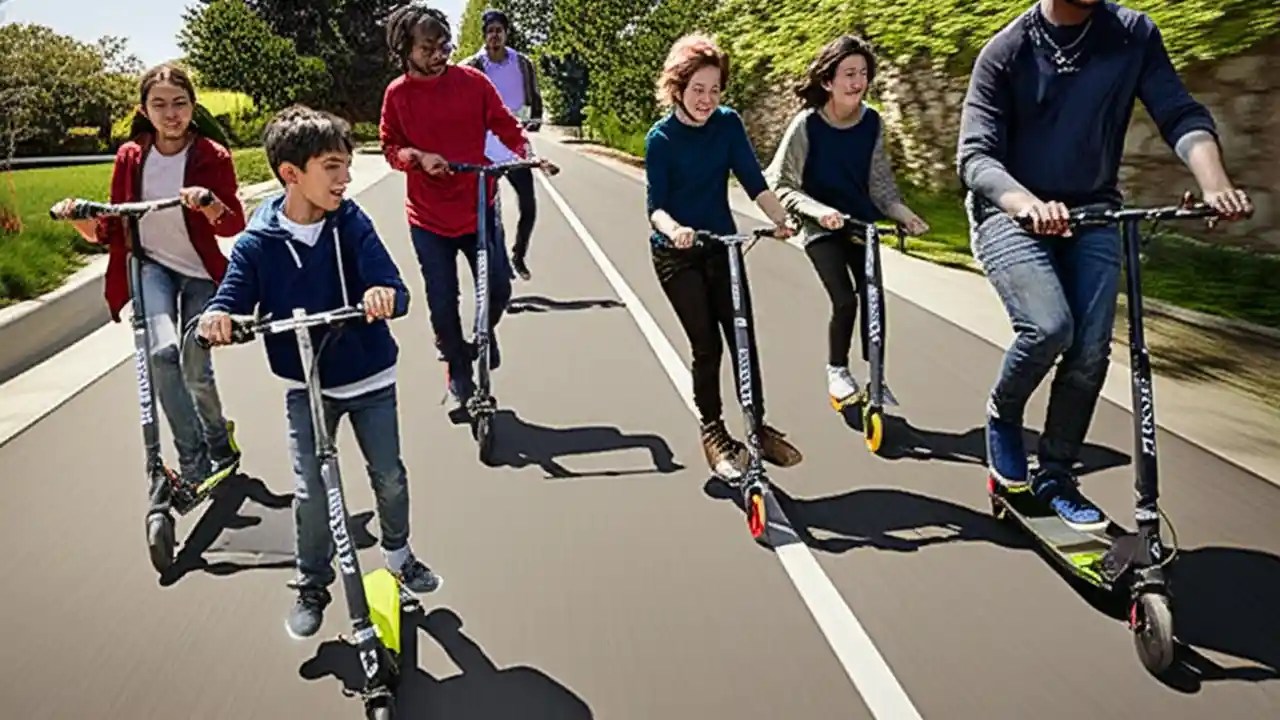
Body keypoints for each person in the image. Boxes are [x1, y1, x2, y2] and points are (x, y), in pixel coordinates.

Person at [957, 0, 1253, 531]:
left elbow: (1179, 112)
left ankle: (1055, 473)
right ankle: (1004, 415)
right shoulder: (1005, 51)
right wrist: (1026, 204)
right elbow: (976, 156)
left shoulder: (1132, 35)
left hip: (1092, 210)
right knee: (1050, 326)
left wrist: (1214, 183)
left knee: (1091, 347)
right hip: (1009, 213)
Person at [197, 105, 441, 639]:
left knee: (389, 475)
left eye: (347, 166)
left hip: (369, 377)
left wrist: (382, 294)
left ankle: (399, 557)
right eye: (332, 166)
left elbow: (391, 283)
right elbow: (233, 294)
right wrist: (219, 316)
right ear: (291, 174)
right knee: (310, 491)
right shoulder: (259, 241)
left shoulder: (350, 222)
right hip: (304, 386)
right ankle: (311, 584)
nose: (345, 178)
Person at [59, 63, 245, 527]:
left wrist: (208, 202)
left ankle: (219, 438)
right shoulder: (129, 157)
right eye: (159, 104)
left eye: (179, 103)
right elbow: (107, 227)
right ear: (144, 110)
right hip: (151, 268)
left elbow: (233, 222)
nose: (171, 113)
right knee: (162, 354)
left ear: (192, 105)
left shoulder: (212, 156)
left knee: (194, 363)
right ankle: (195, 461)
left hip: (200, 272)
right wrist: (77, 216)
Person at [379, 4, 557, 408]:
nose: (440, 54)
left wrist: (527, 153)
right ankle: (458, 369)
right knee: (443, 302)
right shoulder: (398, 95)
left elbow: (505, 123)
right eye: (428, 48)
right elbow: (390, 147)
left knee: (499, 289)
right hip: (428, 217)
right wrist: (418, 158)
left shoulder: (472, 82)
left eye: (444, 45)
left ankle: (483, 332)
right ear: (405, 49)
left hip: (478, 204)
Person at [644, 33, 803, 479]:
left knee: (743, 338)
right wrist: (675, 230)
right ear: (678, 86)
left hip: (723, 248)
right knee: (708, 345)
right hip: (677, 255)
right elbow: (655, 207)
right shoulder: (661, 139)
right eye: (698, 89)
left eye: (715, 90)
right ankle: (713, 431)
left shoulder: (728, 124)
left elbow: (755, 182)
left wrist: (780, 220)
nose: (707, 99)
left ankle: (756, 426)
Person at [765, 34, 930, 408]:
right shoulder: (807, 125)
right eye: (848, 73)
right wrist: (817, 211)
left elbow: (880, 183)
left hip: (860, 225)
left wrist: (903, 214)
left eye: (863, 73)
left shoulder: (872, 122)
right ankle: (837, 370)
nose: (857, 82)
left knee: (874, 299)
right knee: (845, 299)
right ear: (828, 81)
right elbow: (782, 183)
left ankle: (875, 376)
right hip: (819, 227)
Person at [461, 7, 545, 281]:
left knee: (528, 206)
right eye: (489, 31)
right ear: (484, 36)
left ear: (506, 33)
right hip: (485, 147)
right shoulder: (473, 66)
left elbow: (535, 95)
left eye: (499, 30)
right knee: (488, 208)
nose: (494, 36)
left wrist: (536, 119)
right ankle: (498, 263)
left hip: (515, 143)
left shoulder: (522, 63)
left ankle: (518, 255)